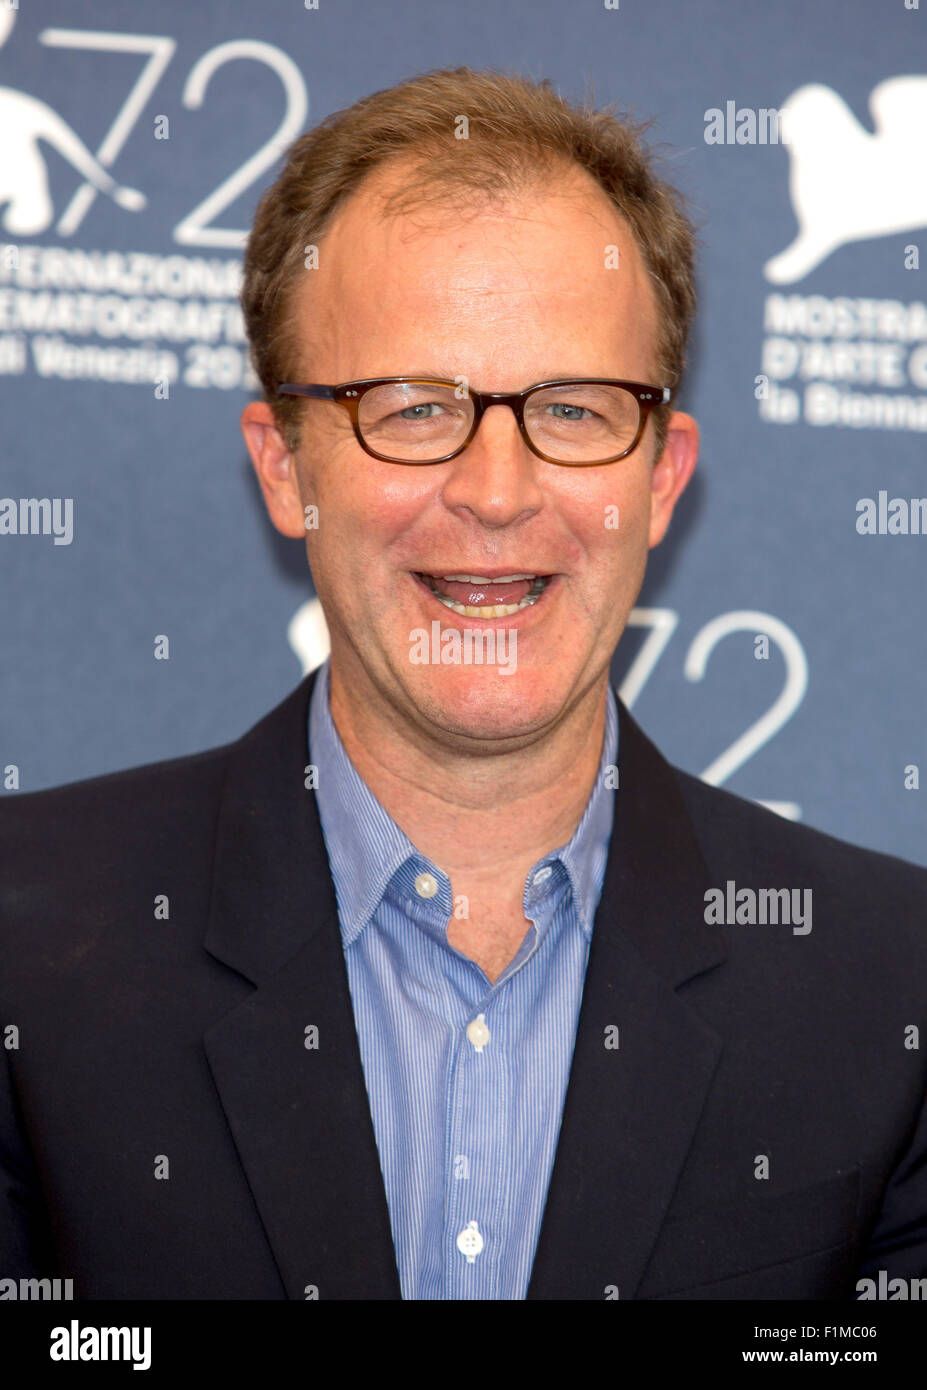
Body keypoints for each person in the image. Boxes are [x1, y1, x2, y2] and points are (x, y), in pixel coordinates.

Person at [1, 66, 926, 1302]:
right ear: (284, 468)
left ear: (660, 477)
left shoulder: (890, 986)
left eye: (577, 408)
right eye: (415, 407)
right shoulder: (29, 942)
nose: (497, 490)